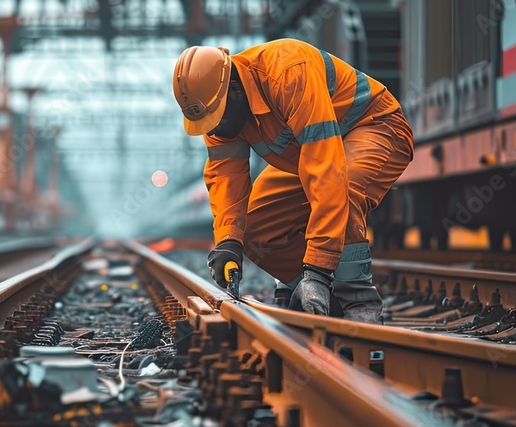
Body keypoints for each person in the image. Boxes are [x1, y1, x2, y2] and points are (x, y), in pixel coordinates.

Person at [172, 39, 414, 322]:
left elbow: (327, 172)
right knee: (255, 226)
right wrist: (228, 241)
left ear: (234, 89)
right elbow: (226, 179)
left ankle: (359, 304)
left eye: (217, 119)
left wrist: (319, 269)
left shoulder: (288, 71)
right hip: (309, 154)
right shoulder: (216, 112)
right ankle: (319, 298)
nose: (215, 128)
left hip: (373, 126)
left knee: (342, 189)